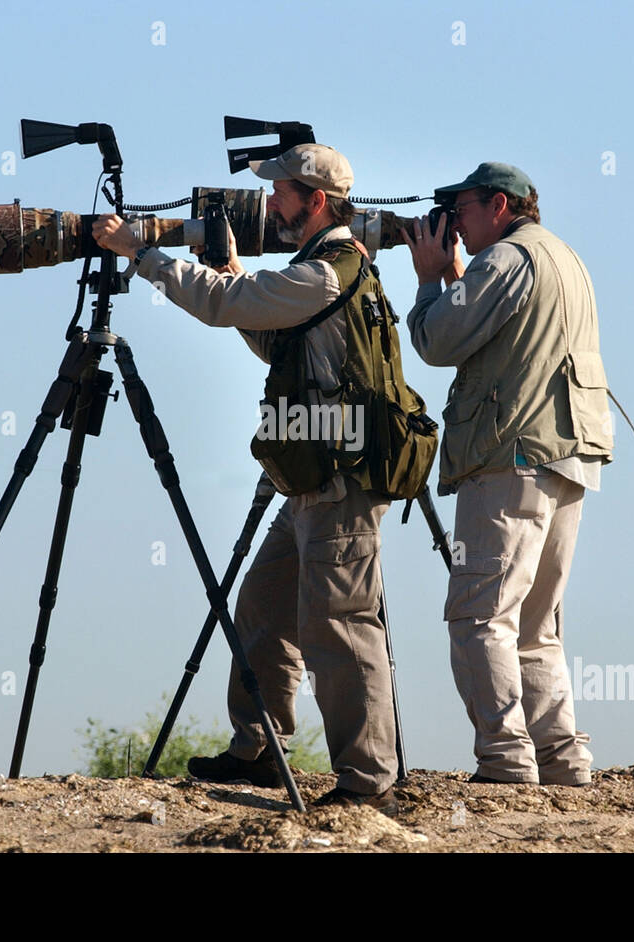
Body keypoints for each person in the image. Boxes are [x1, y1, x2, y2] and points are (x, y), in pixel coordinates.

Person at [90, 144, 403, 815]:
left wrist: (139, 253)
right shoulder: (323, 270)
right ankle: (260, 747)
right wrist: (232, 272)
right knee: (263, 604)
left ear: (315, 199)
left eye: (282, 192)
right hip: (311, 476)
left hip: (338, 479)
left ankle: (367, 783)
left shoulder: (324, 273)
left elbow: (220, 304)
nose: (273, 205)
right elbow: (268, 331)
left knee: (340, 631)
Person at [402, 162, 627, 786]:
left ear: (500, 204)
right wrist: (454, 277)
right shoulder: (561, 256)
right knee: (535, 624)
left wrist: (428, 283)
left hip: (510, 459)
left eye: (464, 210)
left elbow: (437, 343)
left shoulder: (504, 260)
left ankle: (505, 758)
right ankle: (562, 759)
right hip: (568, 456)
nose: (455, 225)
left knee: (479, 616)